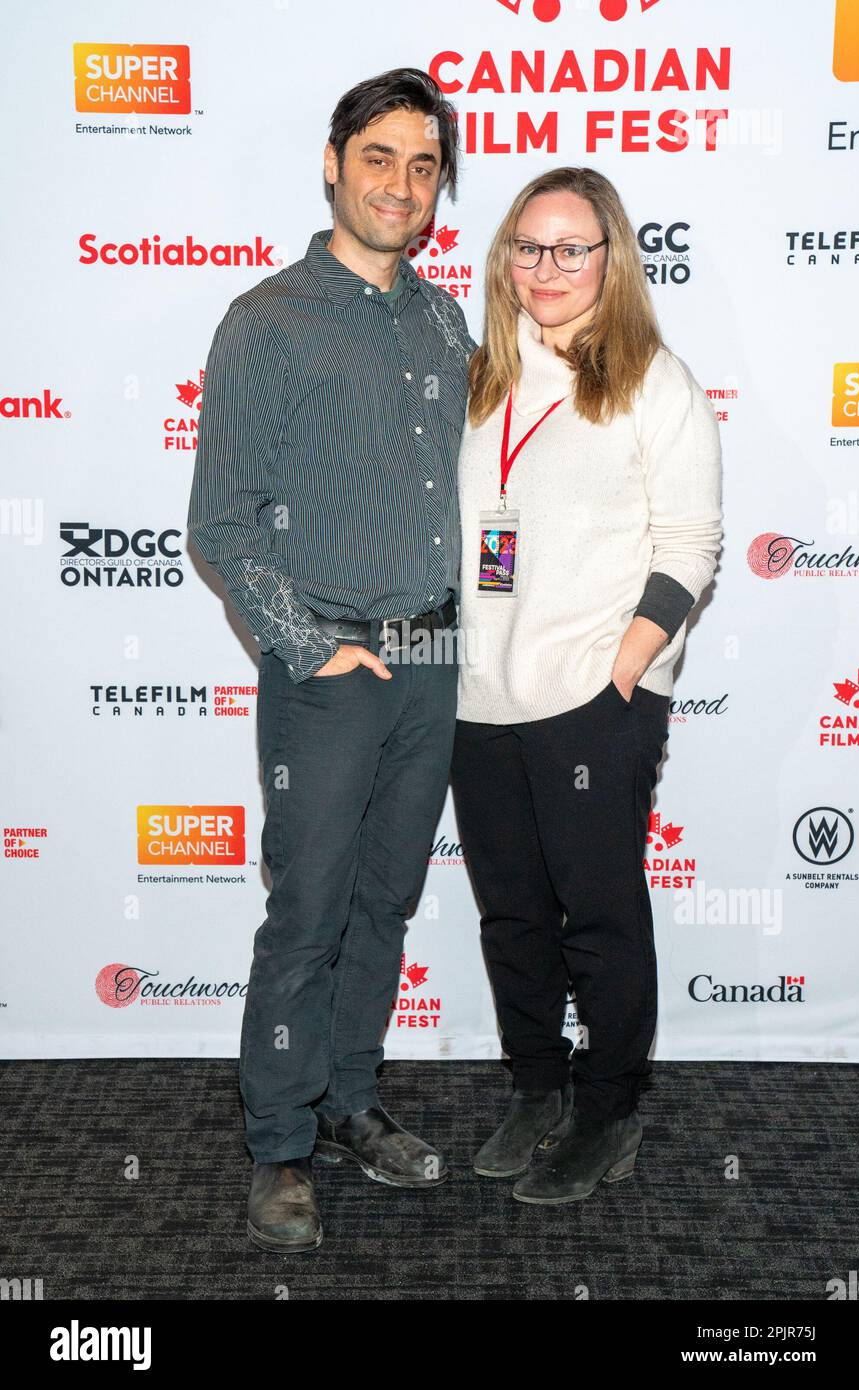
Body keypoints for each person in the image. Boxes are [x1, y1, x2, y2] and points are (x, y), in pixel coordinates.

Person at [187, 68, 476, 1252]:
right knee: (306, 911)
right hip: (328, 667)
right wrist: (314, 649)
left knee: (384, 900)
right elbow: (221, 524)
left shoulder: (445, 318)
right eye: (378, 158)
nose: (399, 185)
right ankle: (277, 1141)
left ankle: (351, 1099)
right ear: (331, 162)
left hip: (432, 651)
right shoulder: (266, 319)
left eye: (422, 166)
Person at [450, 166, 723, 1205]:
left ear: (609, 257)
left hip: (591, 702)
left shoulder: (651, 378)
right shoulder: (481, 377)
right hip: (479, 699)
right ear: (503, 258)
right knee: (509, 912)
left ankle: (607, 1107)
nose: (547, 267)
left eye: (571, 247)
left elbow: (689, 543)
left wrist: (625, 667)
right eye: (528, 246)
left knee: (596, 915)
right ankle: (535, 1087)